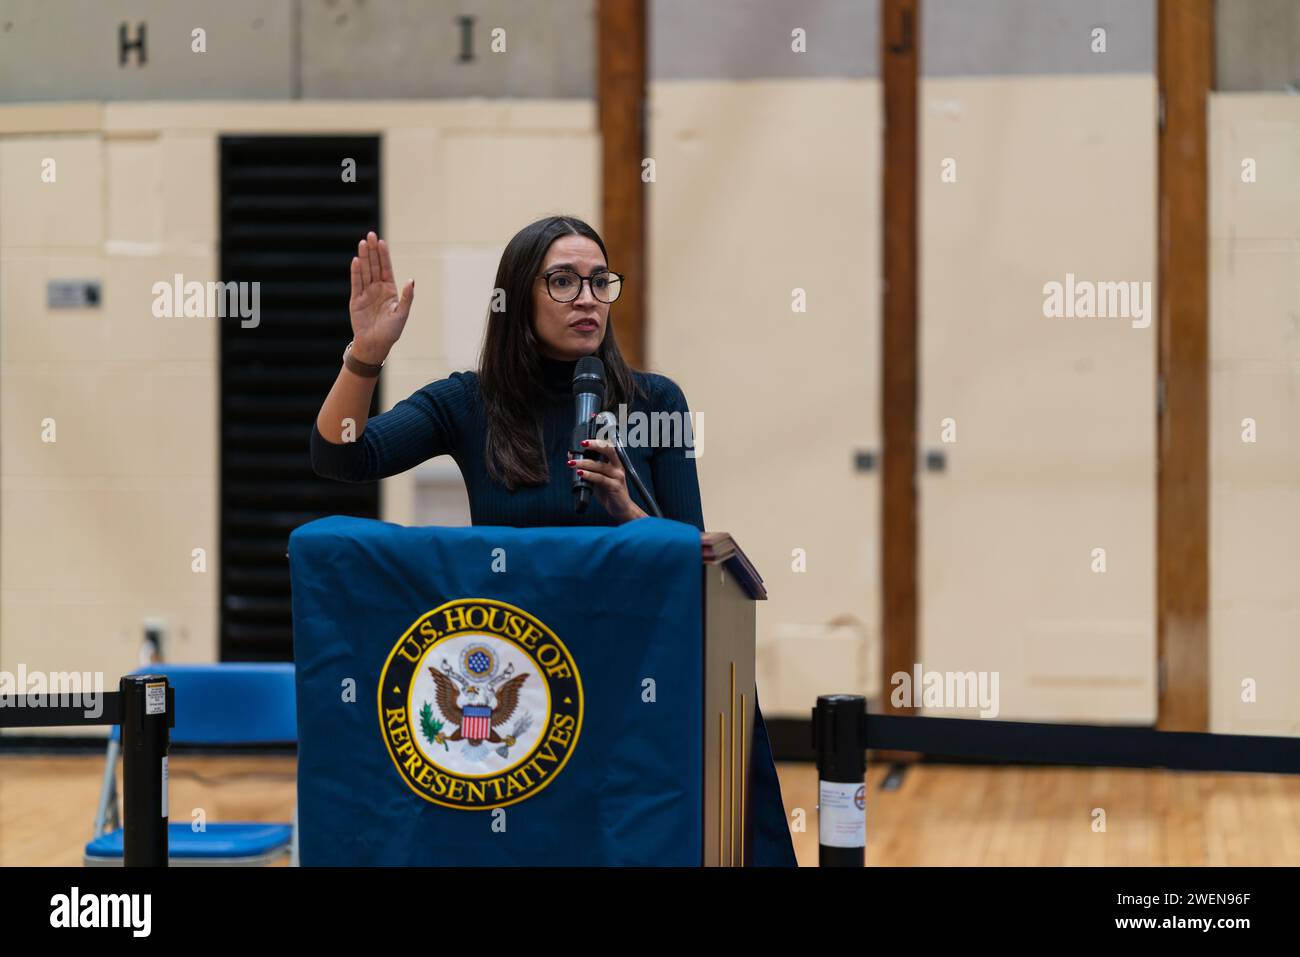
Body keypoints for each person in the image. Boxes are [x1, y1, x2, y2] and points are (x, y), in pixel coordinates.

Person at [310, 214, 796, 865]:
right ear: (518, 297)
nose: (588, 297)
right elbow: (341, 456)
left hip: (631, 683)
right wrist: (365, 353)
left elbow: (691, 558)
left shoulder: (654, 402)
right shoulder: (468, 403)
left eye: (599, 281)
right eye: (563, 281)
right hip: (524, 680)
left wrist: (625, 505)